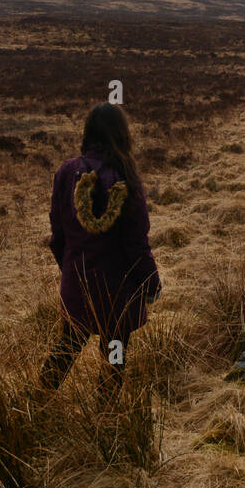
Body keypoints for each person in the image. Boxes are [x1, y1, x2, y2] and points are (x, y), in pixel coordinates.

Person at [39, 103, 161, 398]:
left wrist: (70, 269)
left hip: (78, 283)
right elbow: (136, 245)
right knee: (115, 355)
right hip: (117, 292)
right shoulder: (126, 179)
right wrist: (151, 284)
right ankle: (105, 419)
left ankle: (39, 400)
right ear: (122, 136)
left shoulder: (67, 173)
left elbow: (57, 235)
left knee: (66, 346)